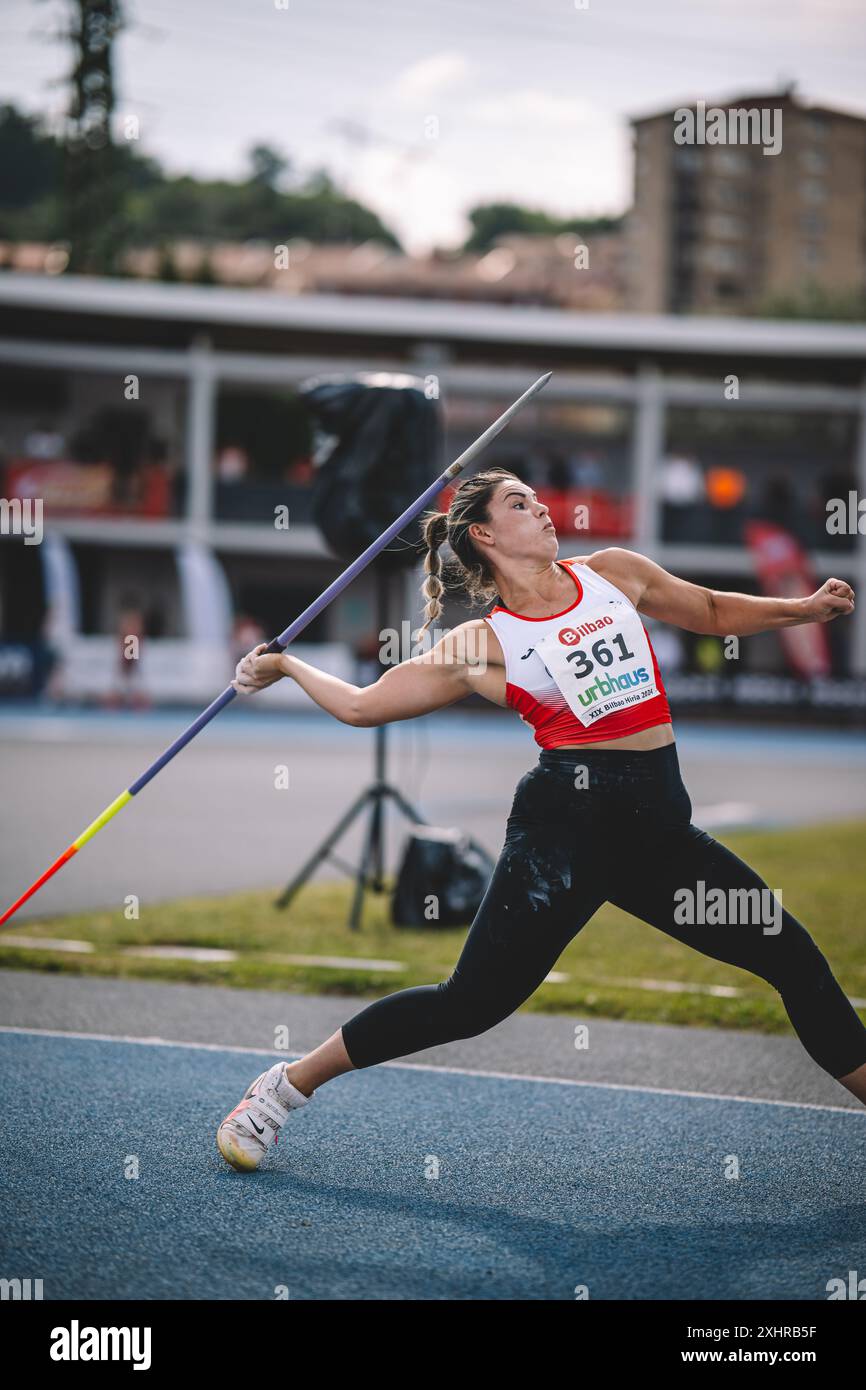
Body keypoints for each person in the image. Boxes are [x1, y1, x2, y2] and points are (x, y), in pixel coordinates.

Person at [216, 466, 866, 1172]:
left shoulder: (615, 573)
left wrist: (801, 609)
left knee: (793, 958)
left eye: (538, 498)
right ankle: (280, 1090)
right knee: (468, 1006)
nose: (544, 511)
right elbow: (363, 706)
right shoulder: (480, 643)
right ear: (485, 535)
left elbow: (708, 609)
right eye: (521, 504)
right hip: (564, 838)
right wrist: (286, 668)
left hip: (659, 841)